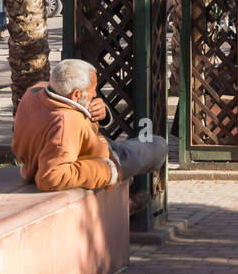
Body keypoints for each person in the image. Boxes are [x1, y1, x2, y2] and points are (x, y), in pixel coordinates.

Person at [12, 59, 167, 201]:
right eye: (92, 90)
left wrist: (103, 114)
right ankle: (127, 201)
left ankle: (127, 198)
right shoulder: (66, 122)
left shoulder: (32, 93)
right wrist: (109, 171)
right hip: (103, 158)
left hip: (74, 151)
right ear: (76, 94)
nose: (94, 94)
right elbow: (52, 177)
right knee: (158, 145)